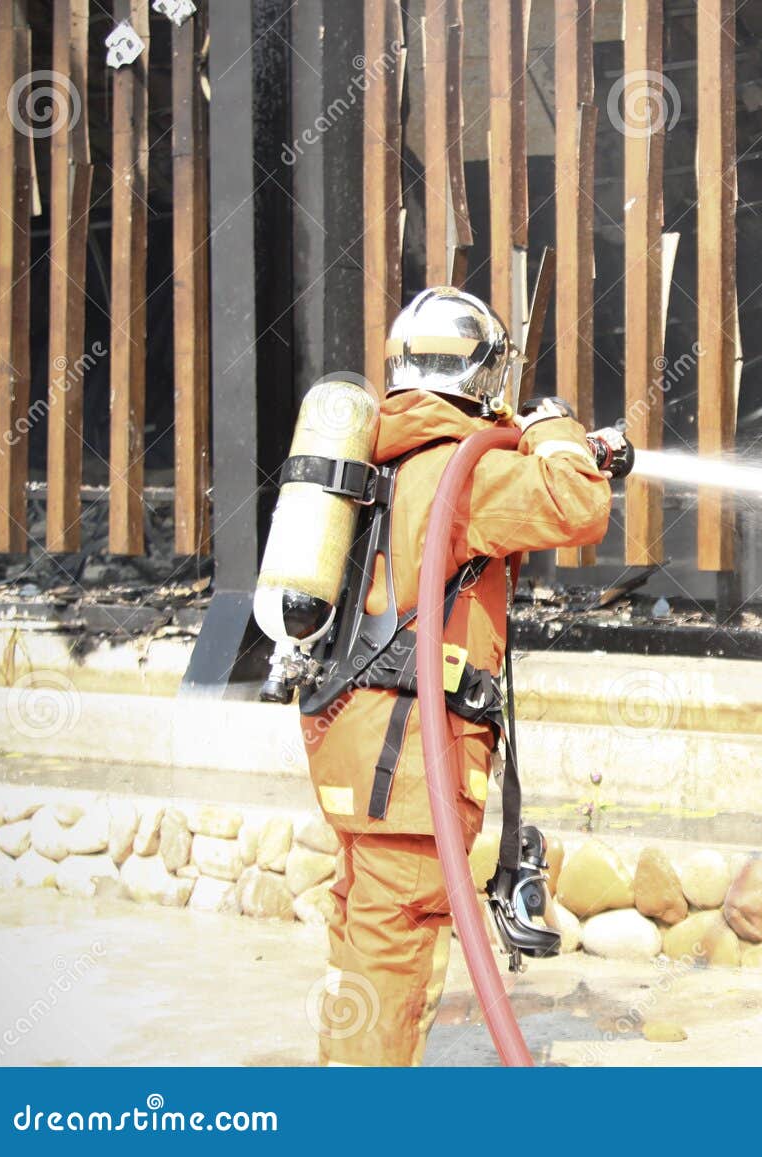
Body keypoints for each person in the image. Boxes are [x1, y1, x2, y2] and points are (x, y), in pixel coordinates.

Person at [300, 288, 619, 1065]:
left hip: (351, 747)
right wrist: (552, 425)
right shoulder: (463, 470)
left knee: (363, 932)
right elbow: (577, 505)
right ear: (483, 376)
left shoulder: (384, 455)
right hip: (409, 767)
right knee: (394, 944)